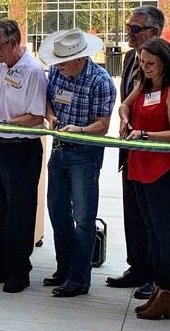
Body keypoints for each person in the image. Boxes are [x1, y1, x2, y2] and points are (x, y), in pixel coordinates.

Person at [117, 37, 170, 320]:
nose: (145, 67)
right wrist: (125, 119)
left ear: (164, 61)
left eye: (150, 63)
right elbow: (124, 106)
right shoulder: (143, 85)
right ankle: (158, 289)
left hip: (163, 166)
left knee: (164, 232)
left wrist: (145, 135)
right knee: (150, 229)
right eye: (141, 63)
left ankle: (167, 292)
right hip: (140, 162)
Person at [40, 27, 116, 298]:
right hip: (59, 150)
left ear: (81, 58)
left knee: (83, 218)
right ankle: (64, 268)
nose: (58, 66)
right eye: (56, 61)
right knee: (58, 212)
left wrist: (80, 131)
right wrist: (51, 117)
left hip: (85, 153)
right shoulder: (58, 74)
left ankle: (79, 278)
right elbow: (47, 99)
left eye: (63, 61)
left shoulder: (100, 81)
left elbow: (103, 125)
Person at [0, 19, 47, 293]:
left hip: (22, 148)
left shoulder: (32, 71)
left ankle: (20, 270)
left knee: (19, 212)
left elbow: (36, 116)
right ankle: (2, 263)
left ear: (13, 43)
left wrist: (4, 124)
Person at [107, 5, 164, 300]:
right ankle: (137, 266)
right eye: (129, 27)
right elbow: (127, 98)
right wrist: (125, 116)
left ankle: (155, 274)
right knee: (132, 211)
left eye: (135, 29)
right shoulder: (131, 58)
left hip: (153, 150)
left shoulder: (165, 62)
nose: (129, 33)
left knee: (153, 215)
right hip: (130, 147)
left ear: (154, 32)